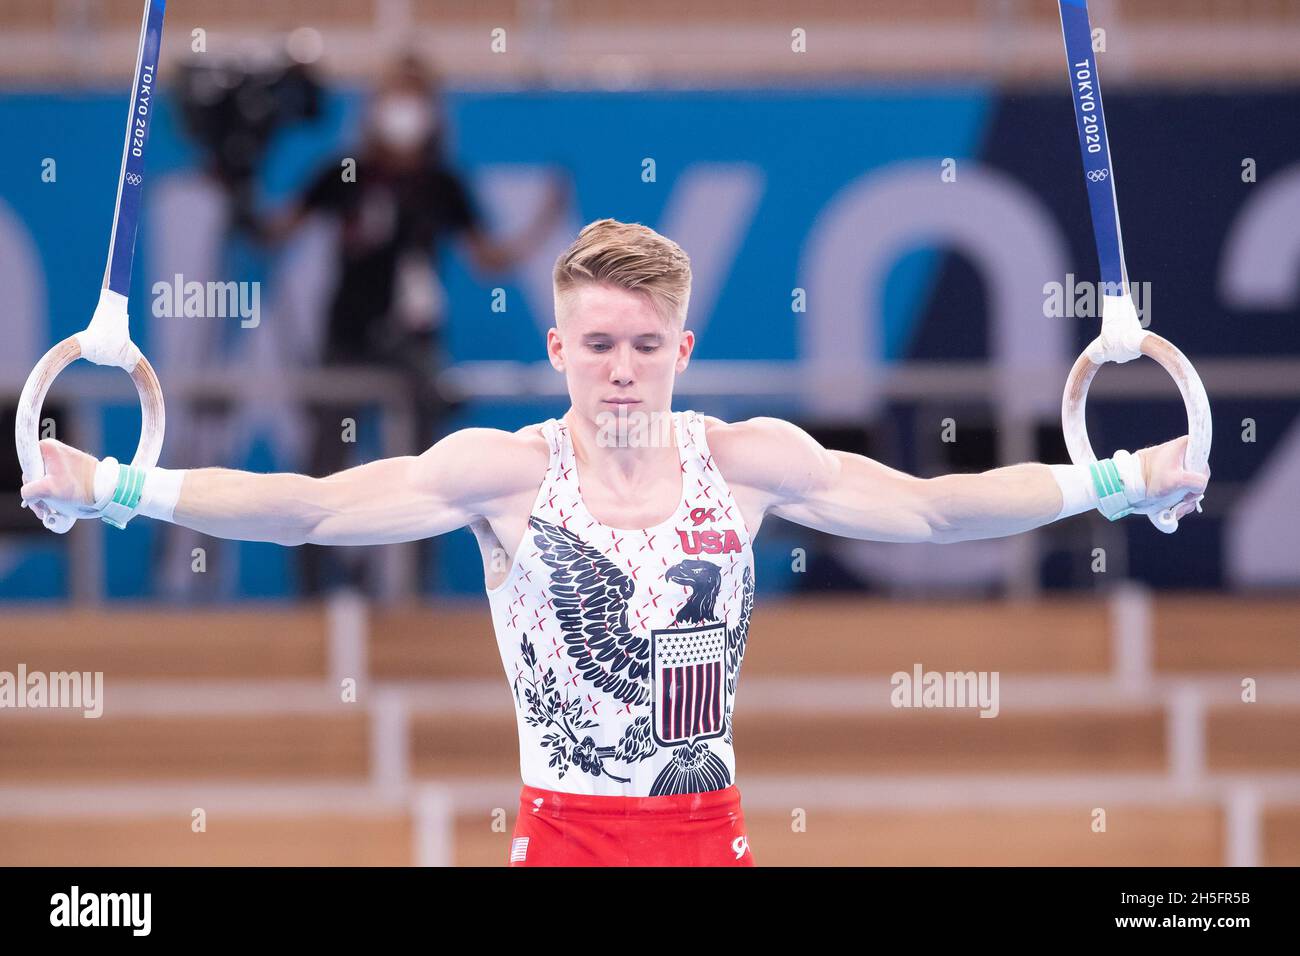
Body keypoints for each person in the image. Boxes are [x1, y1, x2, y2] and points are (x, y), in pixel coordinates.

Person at [20, 219, 1210, 867]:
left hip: (708, 831)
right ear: (555, 351)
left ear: (682, 351)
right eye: (597, 345)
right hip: (563, 833)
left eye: (645, 343)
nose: (622, 368)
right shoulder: (504, 473)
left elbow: (938, 508)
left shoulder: (745, 463)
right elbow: (313, 506)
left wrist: (1115, 476)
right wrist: (123, 482)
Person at [259, 52, 565, 594]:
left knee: (428, 480)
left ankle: (413, 598)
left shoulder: (440, 183)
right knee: (321, 469)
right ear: (374, 108)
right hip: (347, 342)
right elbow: (277, 229)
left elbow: (485, 257)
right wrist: (240, 181)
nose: (404, 112)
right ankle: (309, 598)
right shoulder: (343, 173)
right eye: (393, 98)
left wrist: (542, 224)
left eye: (415, 99)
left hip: (413, 352)